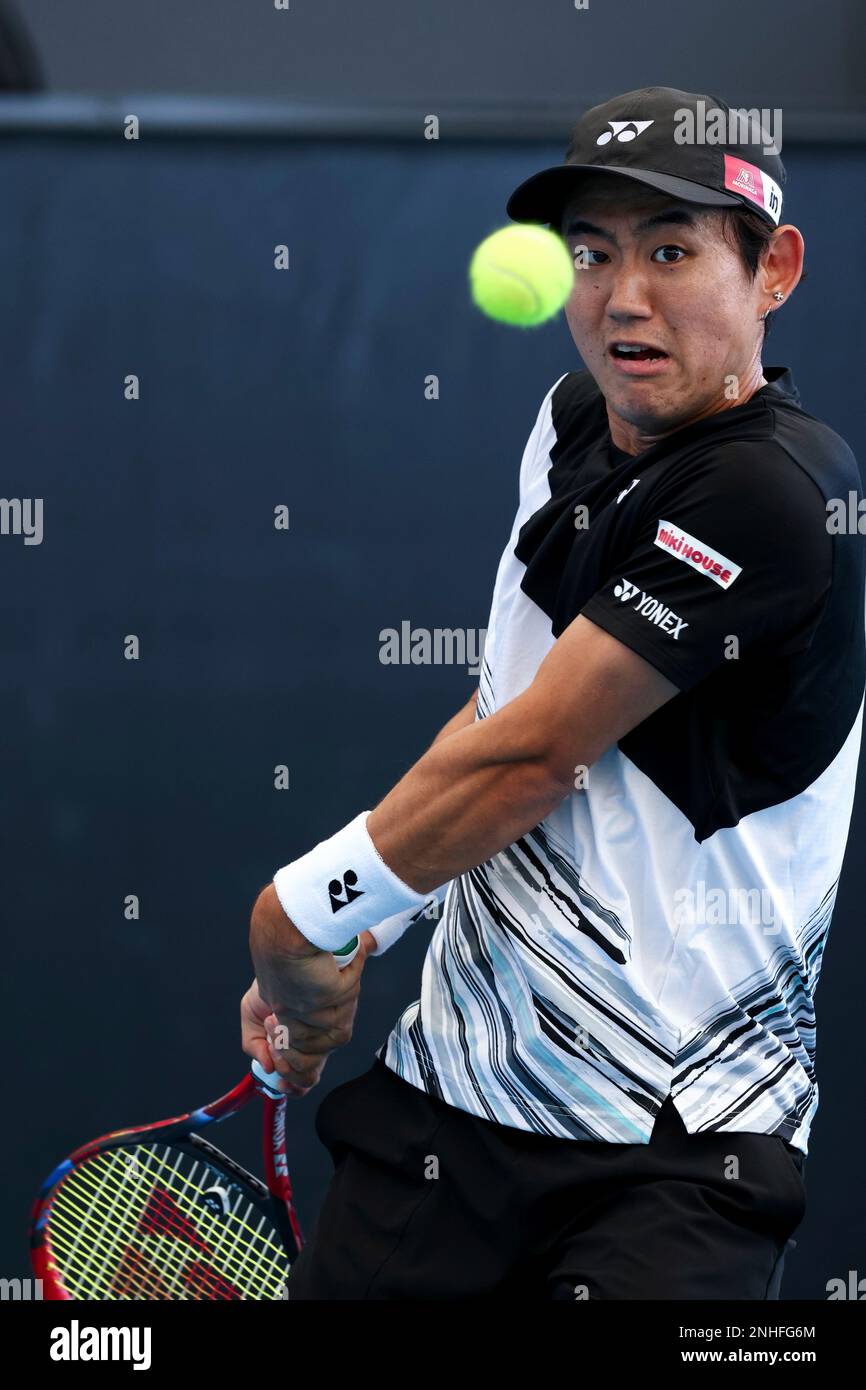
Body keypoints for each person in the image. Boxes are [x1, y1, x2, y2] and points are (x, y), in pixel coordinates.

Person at [241, 86, 865, 1299]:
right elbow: (497, 712)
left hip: (676, 1154)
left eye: (670, 251)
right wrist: (369, 922)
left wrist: (296, 918)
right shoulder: (572, 419)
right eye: (592, 254)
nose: (620, 296)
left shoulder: (773, 493)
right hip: (449, 1109)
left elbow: (535, 760)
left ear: (773, 269)